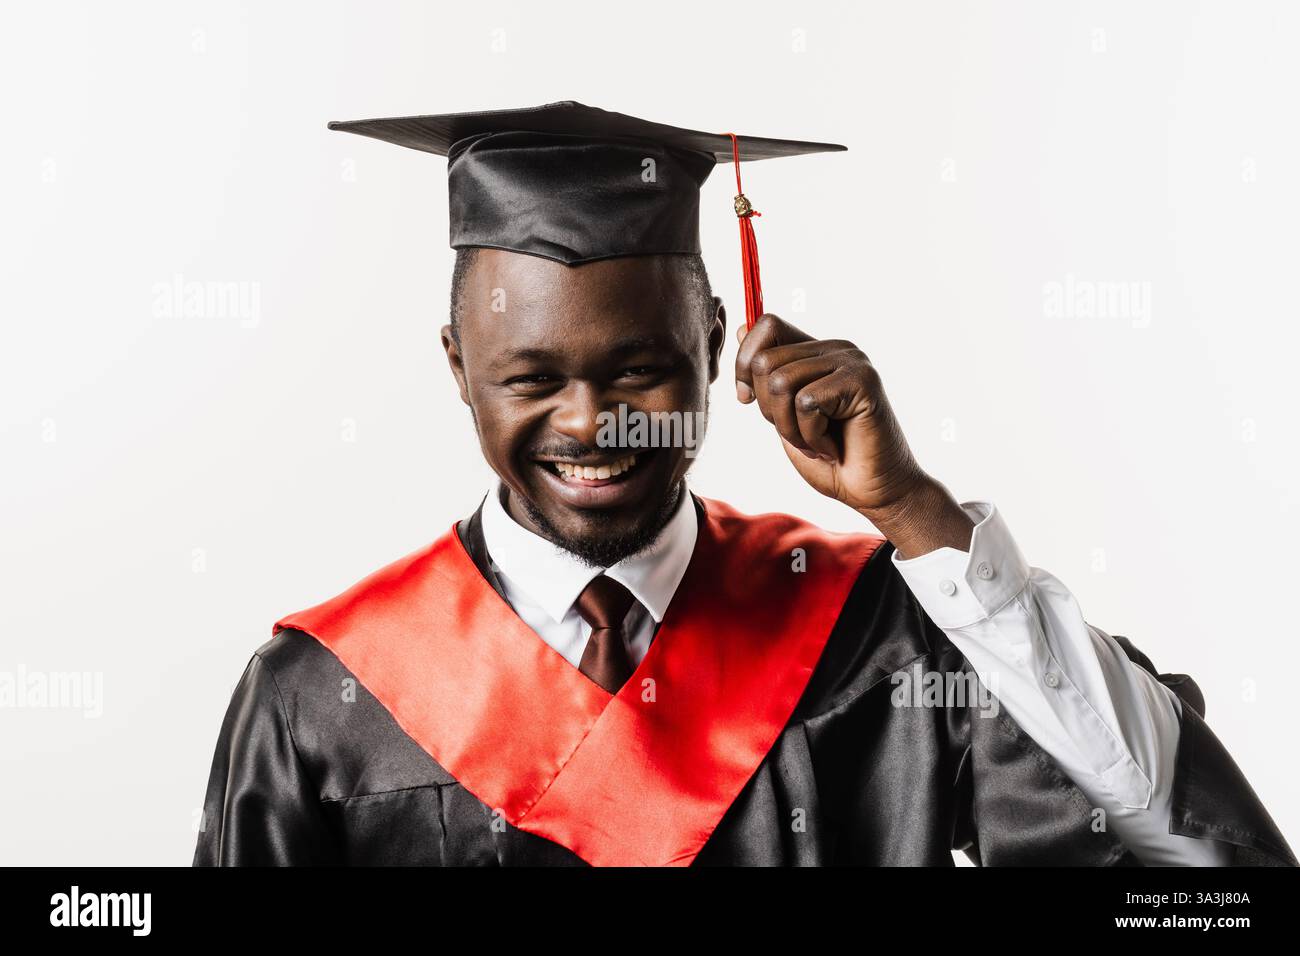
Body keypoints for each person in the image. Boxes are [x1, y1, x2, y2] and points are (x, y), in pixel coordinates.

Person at [193, 102, 1294, 866]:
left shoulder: (875, 633)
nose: (593, 421)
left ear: (715, 340)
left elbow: (1186, 867)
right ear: (456, 368)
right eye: (530, 377)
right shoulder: (322, 693)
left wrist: (918, 515)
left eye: (640, 366)